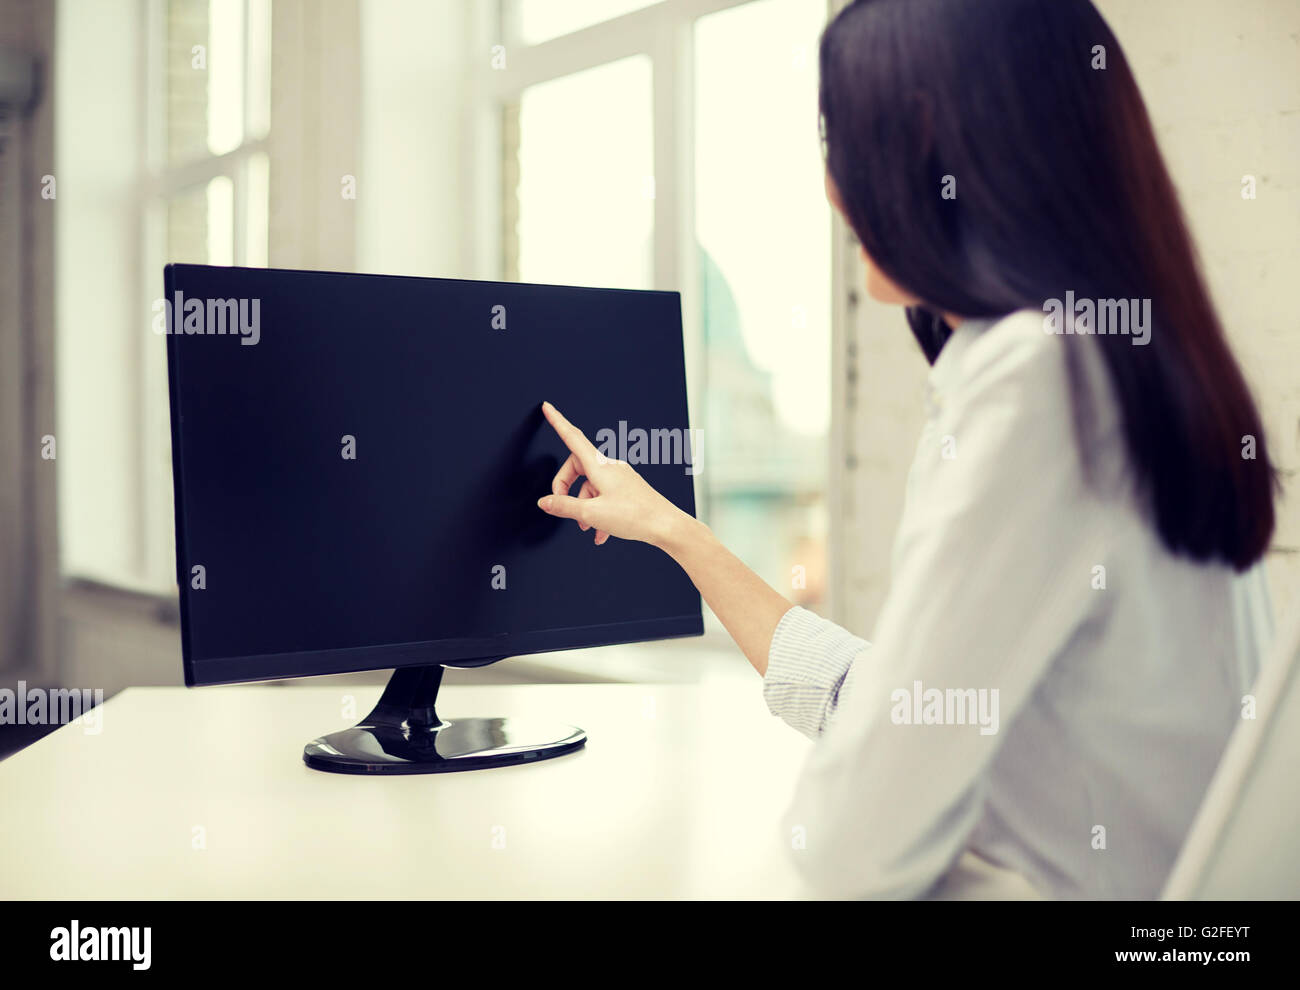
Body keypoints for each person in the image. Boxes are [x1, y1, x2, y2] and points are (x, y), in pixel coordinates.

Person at [535, 0, 1277, 899]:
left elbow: (853, 849)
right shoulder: (1121, 356)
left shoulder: (1035, 384)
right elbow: (895, 700)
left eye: (837, 134)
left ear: (927, 141)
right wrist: (674, 530)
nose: (829, 183)